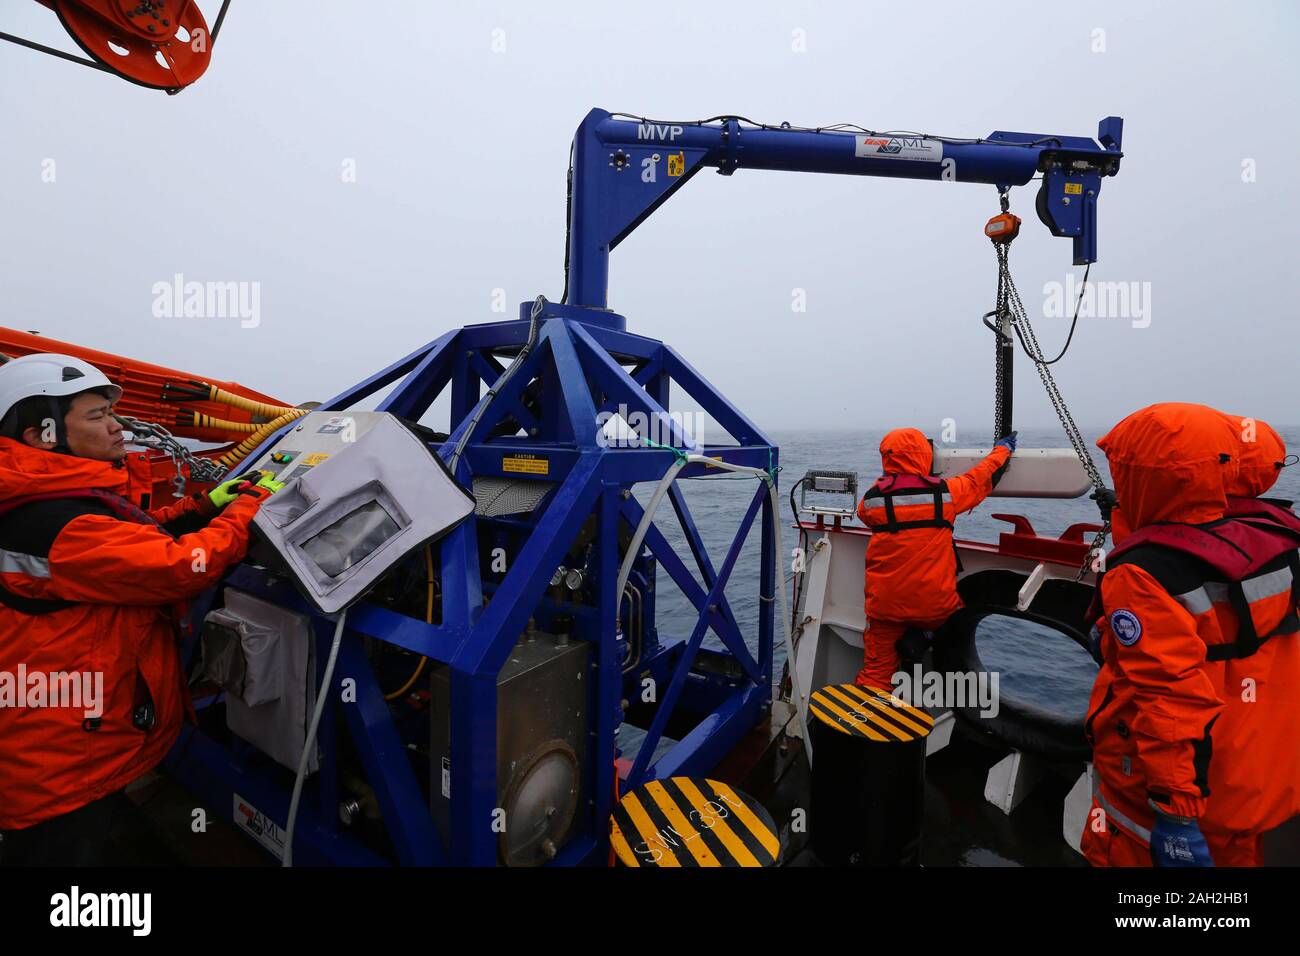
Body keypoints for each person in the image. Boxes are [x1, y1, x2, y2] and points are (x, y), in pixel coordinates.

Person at [0, 353, 280, 865]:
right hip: (60, 760)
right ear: (43, 434)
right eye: (98, 416)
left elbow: (124, 544)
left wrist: (202, 508)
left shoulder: (40, 498)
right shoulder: (57, 522)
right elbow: (180, 567)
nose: (118, 428)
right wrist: (247, 508)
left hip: (52, 731)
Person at [1082, 402, 1300, 867]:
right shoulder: (1279, 542)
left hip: (1168, 797)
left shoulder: (1139, 575)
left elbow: (1170, 698)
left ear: (1137, 477)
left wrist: (1176, 810)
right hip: (1253, 780)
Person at [855, 427, 1016, 689]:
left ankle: (869, 708)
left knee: (875, 674)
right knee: (955, 620)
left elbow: (864, 514)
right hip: (936, 606)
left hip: (885, 606)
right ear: (924, 455)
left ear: (887, 457)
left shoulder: (872, 500)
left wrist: (889, 482)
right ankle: (924, 636)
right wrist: (1003, 449)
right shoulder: (946, 494)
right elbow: (982, 477)